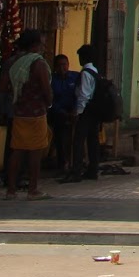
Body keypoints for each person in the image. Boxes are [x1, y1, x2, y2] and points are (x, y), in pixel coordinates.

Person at [3, 30, 53, 200]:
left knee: (16, 151)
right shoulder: (38, 63)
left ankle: (11, 190)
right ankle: (33, 189)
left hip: (19, 112)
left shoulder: (13, 62)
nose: (43, 46)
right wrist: (49, 102)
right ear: (34, 45)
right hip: (36, 113)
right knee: (35, 152)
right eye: (41, 43)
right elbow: (46, 89)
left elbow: (4, 87)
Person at [62, 43, 103, 182]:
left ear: (83, 57)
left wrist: (77, 112)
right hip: (95, 110)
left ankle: (77, 171)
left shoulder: (85, 73)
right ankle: (93, 170)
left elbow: (83, 95)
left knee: (79, 141)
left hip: (86, 111)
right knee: (93, 141)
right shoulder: (95, 71)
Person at [48, 53, 79, 174]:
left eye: (64, 65)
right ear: (55, 67)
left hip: (73, 111)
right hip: (58, 113)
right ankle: (63, 162)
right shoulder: (52, 80)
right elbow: (51, 100)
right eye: (59, 65)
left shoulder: (75, 77)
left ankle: (76, 161)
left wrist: (74, 110)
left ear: (68, 65)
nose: (62, 68)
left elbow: (79, 95)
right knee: (61, 131)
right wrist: (62, 112)